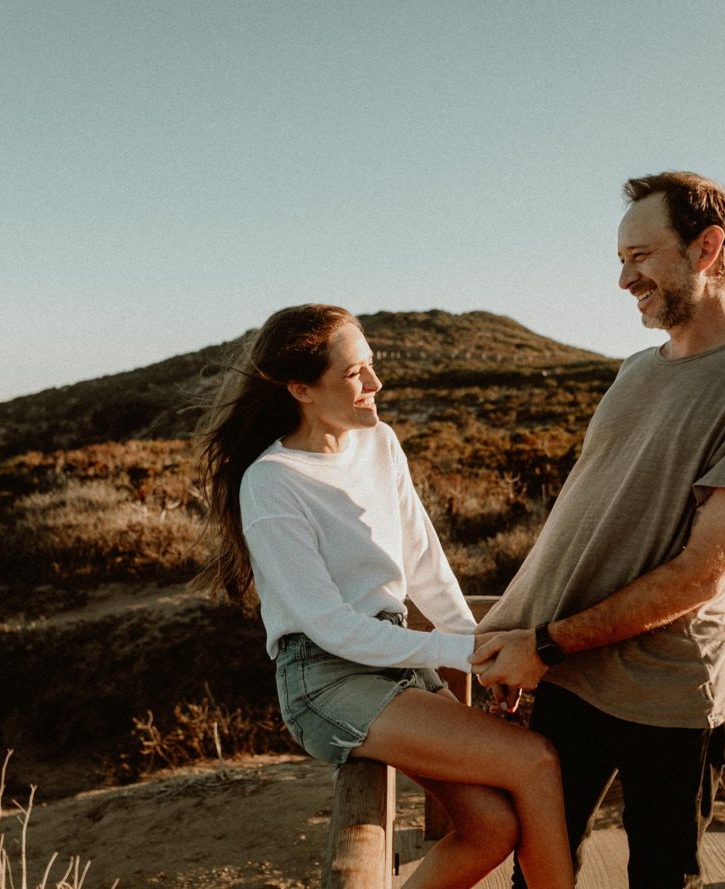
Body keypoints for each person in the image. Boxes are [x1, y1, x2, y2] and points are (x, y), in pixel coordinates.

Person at [470, 172, 725, 889]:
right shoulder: (631, 371)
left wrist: (545, 642)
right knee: (535, 875)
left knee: (660, 880)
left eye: (640, 256)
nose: (625, 279)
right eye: (620, 261)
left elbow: (700, 573)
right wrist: (517, 632)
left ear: (706, 248)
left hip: (671, 697)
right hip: (568, 676)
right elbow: (582, 522)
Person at [198, 304, 574, 889]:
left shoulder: (380, 443)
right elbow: (332, 627)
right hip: (327, 678)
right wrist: (465, 655)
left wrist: (480, 648)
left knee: (491, 829)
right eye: (354, 374)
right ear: (301, 388)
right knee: (536, 760)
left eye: (371, 365)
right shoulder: (272, 482)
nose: (376, 384)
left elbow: (425, 563)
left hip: (396, 658)